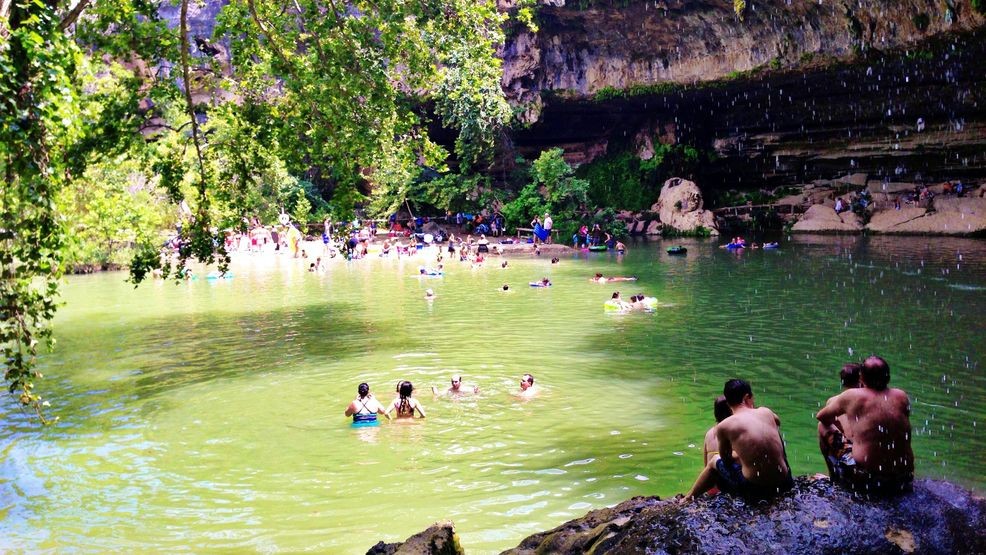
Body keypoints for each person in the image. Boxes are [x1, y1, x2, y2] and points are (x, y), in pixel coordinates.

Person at [816, 356, 914, 496]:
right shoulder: (901, 396)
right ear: (888, 377)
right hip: (904, 477)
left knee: (823, 426)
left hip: (868, 479)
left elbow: (822, 417)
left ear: (861, 377)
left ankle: (835, 480)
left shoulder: (852, 396)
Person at [684, 379, 793, 500]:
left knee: (715, 459)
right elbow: (777, 422)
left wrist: (742, 454)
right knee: (775, 435)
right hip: (785, 482)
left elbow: (726, 460)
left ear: (728, 402)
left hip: (755, 490)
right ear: (747, 397)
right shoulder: (765, 411)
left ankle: (687, 499)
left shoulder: (724, 426)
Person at [703, 396, 733, 466]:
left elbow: (705, 463)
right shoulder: (731, 432)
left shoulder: (708, 434)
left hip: (711, 471)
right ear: (730, 411)